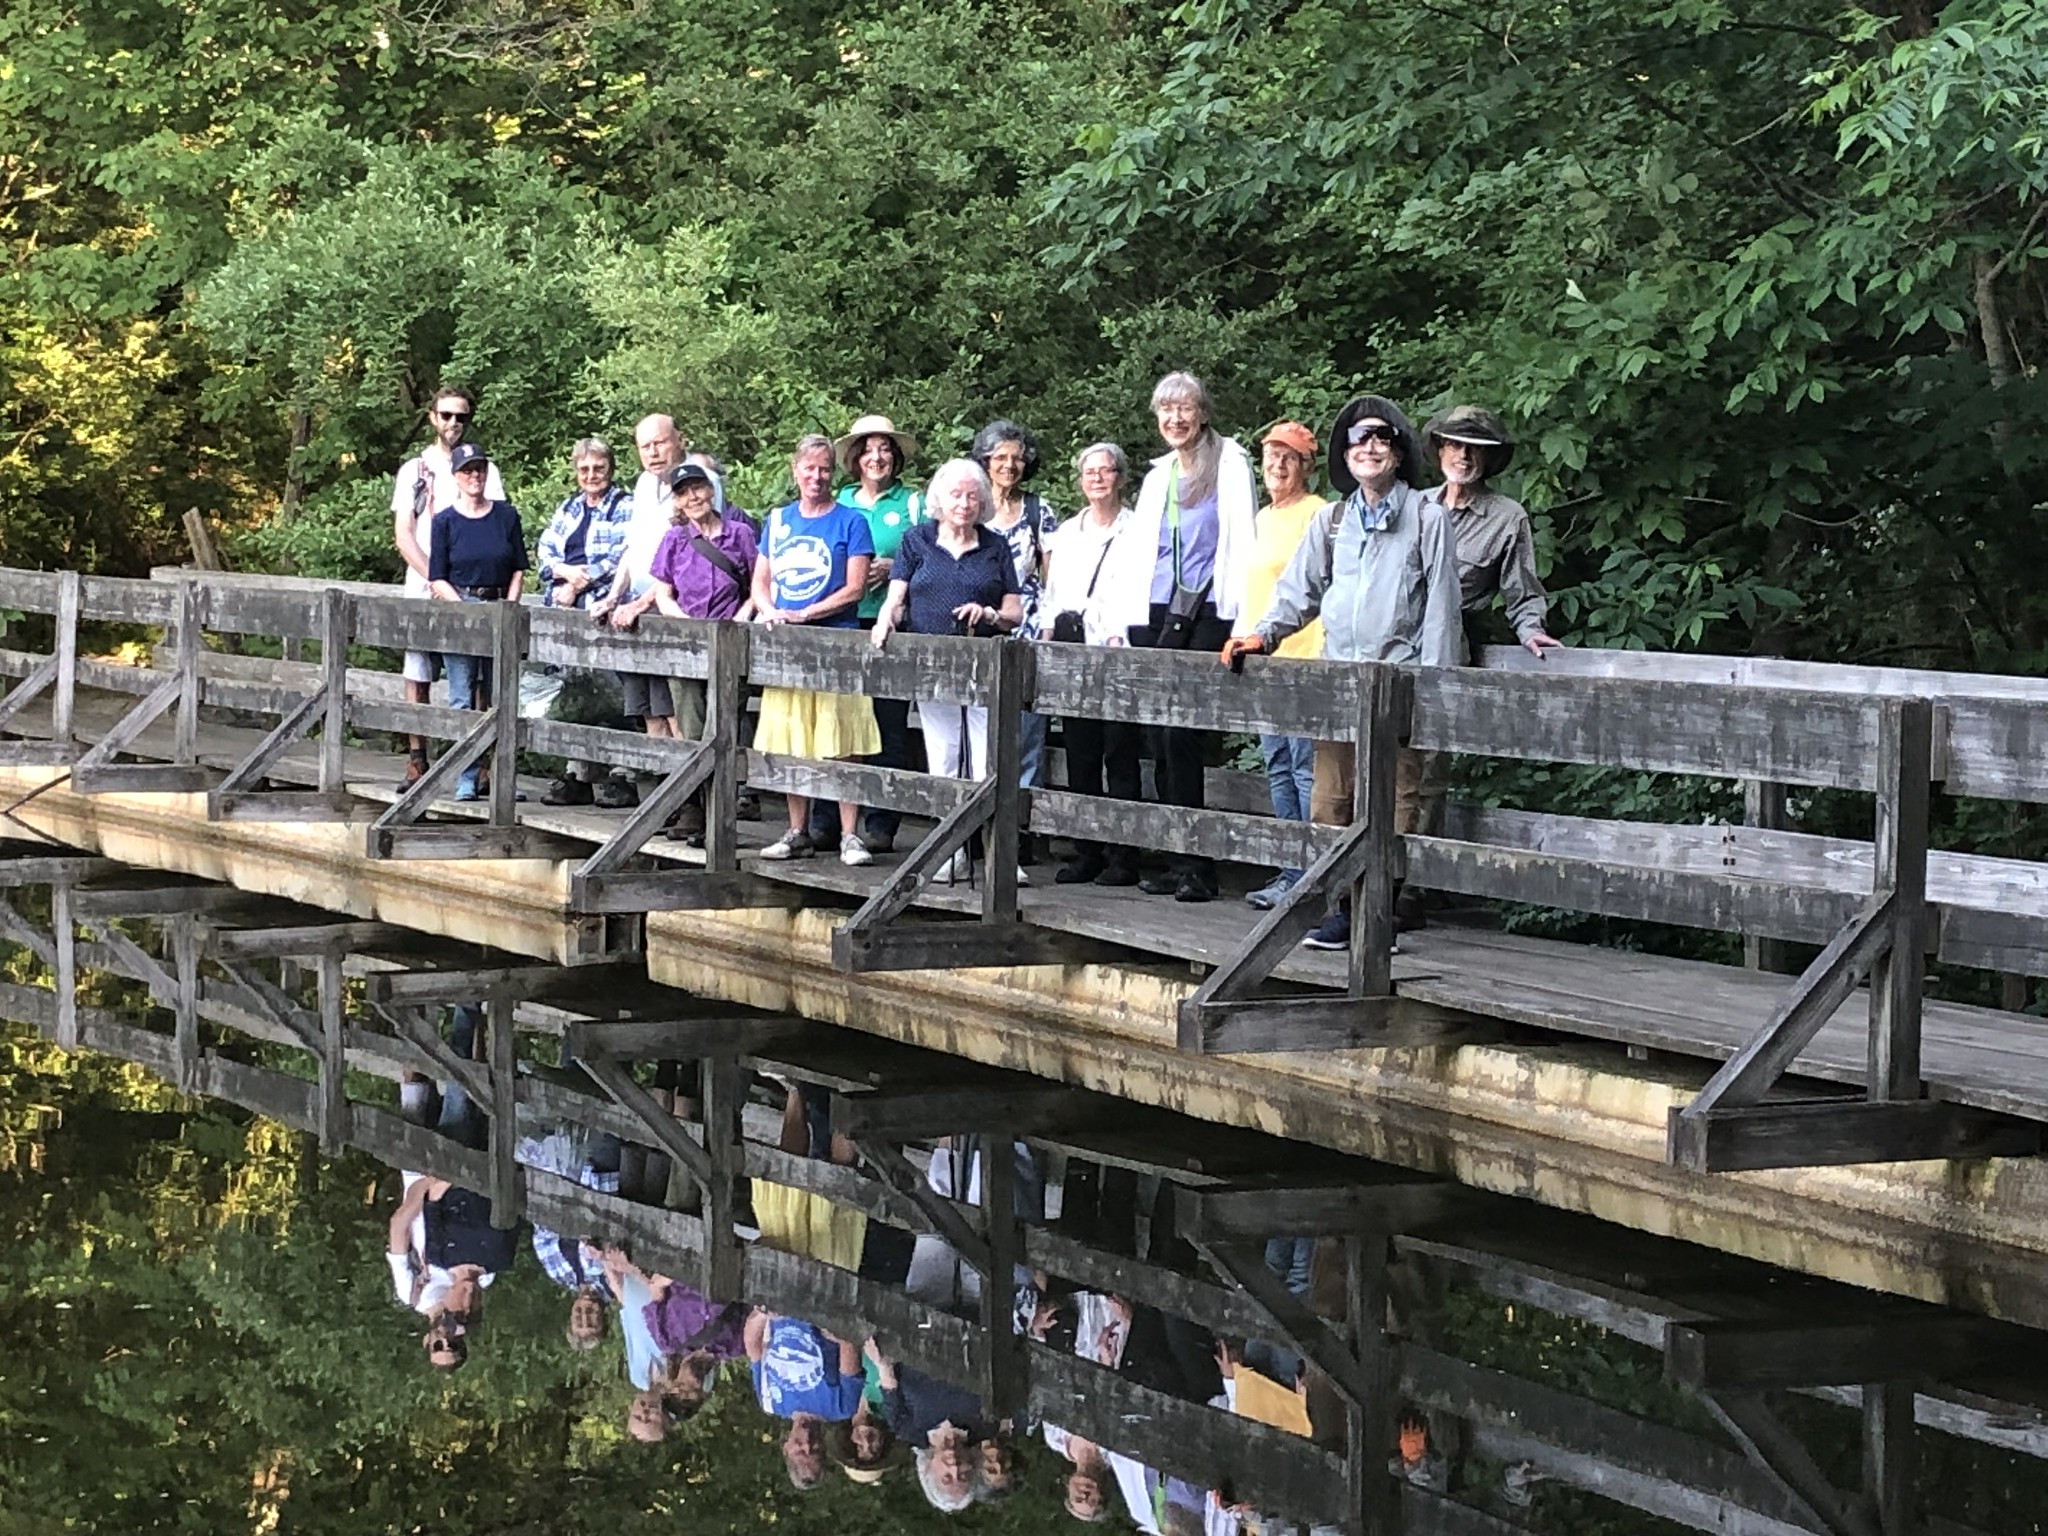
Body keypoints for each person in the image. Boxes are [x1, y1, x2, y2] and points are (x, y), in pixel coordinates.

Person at [1221, 395, 1460, 951]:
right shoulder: (1333, 520)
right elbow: (1297, 591)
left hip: (1401, 682)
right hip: (1340, 685)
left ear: (1398, 454)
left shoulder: (1428, 517)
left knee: (1399, 801)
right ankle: (1341, 907)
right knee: (1331, 800)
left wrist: (1437, 691)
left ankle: (1380, 913)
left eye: (1382, 439)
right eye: (1359, 440)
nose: (1370, 448)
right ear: (1346, 456)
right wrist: (1263, 635)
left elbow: (1442, 610)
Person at [1096, 372, 1259, 903]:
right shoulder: (1158, 475)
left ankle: (1198, 864)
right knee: (1158, 735)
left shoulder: (1230, 465)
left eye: (1185, 408)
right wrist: (1121, 619)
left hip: (1211, 610)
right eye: (1166, 410)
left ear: (1203, 413)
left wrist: (1245, 620)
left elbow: (1242, 542)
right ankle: (1173, 856)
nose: (1175, 419)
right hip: (1157, 611)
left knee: (1185, 734)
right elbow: (1140, 552)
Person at [872, 458, 1023, 886]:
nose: (964, 503)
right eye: (956, 495)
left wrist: (989, 612)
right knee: (944, 760)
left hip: (984, 670)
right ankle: (950, 854)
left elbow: (1014, 611)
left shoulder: (994, 546)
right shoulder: (916, 540)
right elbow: (896, 596)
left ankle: (997, 857)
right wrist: (885, 620)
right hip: (932, 668)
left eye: (973, 496)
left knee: (987, 763)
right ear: (941, 499)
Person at [592, 462, 759, 842]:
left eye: (697, 488)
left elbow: (755, 587)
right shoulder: (675, 539)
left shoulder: (741, 535)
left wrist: (738, 620)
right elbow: (664, 592)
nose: (693, 497)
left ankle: (720, 819)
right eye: (683, 493)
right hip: (686, 647)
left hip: (731, 644)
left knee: (725, 729)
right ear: (678, 501)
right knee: (691, 730)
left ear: (711, 490)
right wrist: (686, 624)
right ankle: (698, 811)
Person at [752, 434, 881, 865]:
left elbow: (855, 587)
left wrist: (807, 613)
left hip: (837, 641)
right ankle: (796, 830)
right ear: (795, 470)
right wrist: (771, 611)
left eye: (824, 468)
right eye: (809, 468)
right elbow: (760, 581)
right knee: (792, 735)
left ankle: (850, 834)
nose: (817, 476)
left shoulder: (851, 522)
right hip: (787, 645)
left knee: (844, 735)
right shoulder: (778, 519)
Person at [390, 384, 504, 783]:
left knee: (475, 678)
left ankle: (477, 765)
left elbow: (496, 523)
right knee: (418, 670)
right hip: (424, 583)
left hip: (471, 587)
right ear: (433, 418)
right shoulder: (414, 470)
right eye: (447, 415)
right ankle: (417, 758)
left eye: (462, 416)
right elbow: (404, 534)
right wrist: (434, 578)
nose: (454, 423)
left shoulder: (482, 469)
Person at [1239, 422, 1330, 911]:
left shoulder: (1319, 515)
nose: (1277, 465)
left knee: (1304, 768)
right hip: (1264, 661)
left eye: (1288, 457)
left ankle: (1313, 873)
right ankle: (1289, 869)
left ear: (1305, 466)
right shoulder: (1259, 518)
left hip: (1305, 658)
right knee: (1277, 764)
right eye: (1271, 456)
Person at [1041, 442, 1141, 885]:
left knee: (1120, 752)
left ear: (1120, 477)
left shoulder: (1137, 530)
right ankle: (1086, 850)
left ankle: (1123, 854)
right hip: (1072, 646)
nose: (1098, 478)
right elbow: (1052, 593)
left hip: (1118, 649)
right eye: (1090, 472)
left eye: (1106, 471)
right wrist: (1046, 643)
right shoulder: (1066, 533)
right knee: (1080, 752)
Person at [582, 414, 692, 809]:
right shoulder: (644, 486)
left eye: (659, 443)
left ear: (678, 440)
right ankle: (664, 798)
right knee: (648, 711)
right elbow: (635, 549)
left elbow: (684, 557)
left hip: (670, 609)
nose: (653, 452)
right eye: (645, 446)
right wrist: (614, 597)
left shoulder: (693, 484)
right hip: (638, 610)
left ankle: (690, 798)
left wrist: (642, 603)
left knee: (674, 709)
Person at [827, 414, 924, 854]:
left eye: (885, 449)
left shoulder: (912, 504)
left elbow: (930, 557)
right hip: (844, 621)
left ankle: (881, 821)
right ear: (855, 458)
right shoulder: (839, 502)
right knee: (839, 721)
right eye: (868, 450)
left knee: (888, 723)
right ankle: (828, 819)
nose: (876, 457)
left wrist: (893, 568)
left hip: (891, 625)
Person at [971, 420, 1060, 861]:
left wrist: (1046, 628)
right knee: (978, 733)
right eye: (1000, 457)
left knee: (1026, 736)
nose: (1009, 465)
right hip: (977, 630)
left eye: (1016, 458)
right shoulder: (969, 505)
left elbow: (1051, 580)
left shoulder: (1038, 511)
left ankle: (1021, 832)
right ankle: (975, 827)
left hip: (1025, 631)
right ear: (984, 461)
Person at [535, 436, 634, 807]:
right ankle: (578, 772)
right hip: (567, 614)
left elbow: (622, 555)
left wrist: (580, 581)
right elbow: (545, 550)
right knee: (575, 695)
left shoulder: (625, 506)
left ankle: (621, 774)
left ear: (610, 469)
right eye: (585, 469)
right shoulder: (569, 507)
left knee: (612, 696)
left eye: (599, 468)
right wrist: (563, 573)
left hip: (602, 613)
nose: (592, 475)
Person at [425, 442, 526, 801]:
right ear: (456, 476)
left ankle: (501, 780)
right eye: (467, 470)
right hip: (461, 608)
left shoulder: (506, 515)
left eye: (479, 468)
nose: (475, 476)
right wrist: (465, 610)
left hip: (499, 605)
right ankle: (465, 777)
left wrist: (509, 609)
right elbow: (437, 576)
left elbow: (518, 568)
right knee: (462, 699)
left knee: (501, 697)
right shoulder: (444, 522)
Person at [1422, 405, 1560, 662]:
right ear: (1440, 449)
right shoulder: (1414, 506)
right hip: (1393, 642)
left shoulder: (1507, 517)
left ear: (1488, 457)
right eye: (1455, 444)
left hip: (1450, 647)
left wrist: (1531, 631)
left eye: (1476, 447)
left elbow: (1523, 590)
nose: (1464, 454)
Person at [385, 1170, 517, 1371]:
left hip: (422, 1177)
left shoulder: (412, 1293)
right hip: (466, 1185)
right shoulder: (482, 1281)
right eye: (453, 1345)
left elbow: (398, 1226)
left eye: (438, 1346)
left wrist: (429, 1183)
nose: (445, 1340)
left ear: (426, 1341)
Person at [746, 1308, 868, 1489]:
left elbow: (752, 1345)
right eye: (816, 1450)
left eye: (800, 1451)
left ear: (786, 1448)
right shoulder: (842, 1407)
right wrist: (829, 1327)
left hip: (777, 1303)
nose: (808, 1443)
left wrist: (762, 1314)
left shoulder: (769, 1402)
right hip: (823, 1306)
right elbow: (849, 1341)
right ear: (825, 1446)